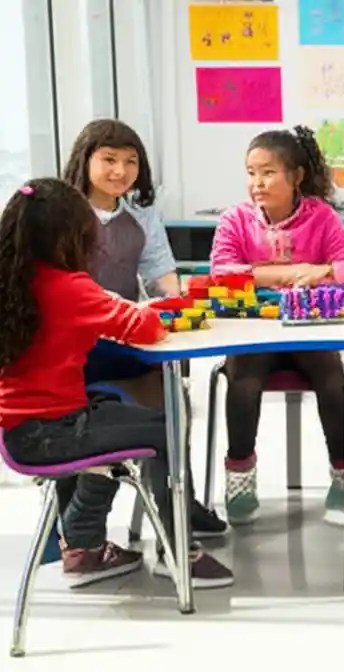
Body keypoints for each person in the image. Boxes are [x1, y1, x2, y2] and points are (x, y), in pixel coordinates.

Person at [0, 178, 233, 588]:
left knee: (111, 407)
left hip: (19, 433)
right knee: (166, 427)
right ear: (72, 236)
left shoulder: (11, 283)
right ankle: (178, 552)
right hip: (55, 431)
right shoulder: (69, 287)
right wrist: (119, 304)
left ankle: (84, 546)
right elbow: (143, 327)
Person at [61, 118, 227, 539]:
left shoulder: (141, 215)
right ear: (85, 160)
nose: (120, 171)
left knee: (173, 402)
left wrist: (177, 309)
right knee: (122, 415)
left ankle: (176, 504)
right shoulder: (62, 213)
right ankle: (81, 529)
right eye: (109, 160)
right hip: (71, 347)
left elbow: (160, 273)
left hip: (122, 337)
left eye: (131, 161)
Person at [210, 126, 344, 528]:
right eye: (251, 173)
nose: (257, 183)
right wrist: (286, 272)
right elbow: (221, 273)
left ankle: (343, 475)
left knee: (333, 378)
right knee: (241, 379)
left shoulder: (321, 216)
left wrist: (320, 270)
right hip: (255, 332)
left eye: (267, 173)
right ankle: (240, 475)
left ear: (295, 176)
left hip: (307, 329)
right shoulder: (235, 220)